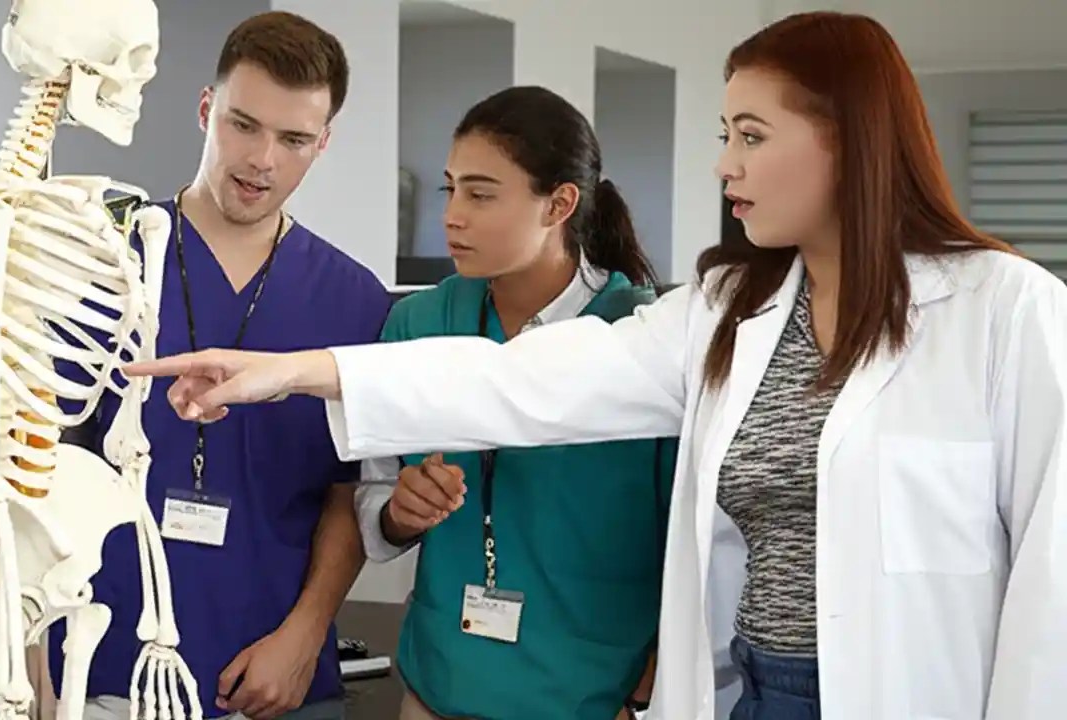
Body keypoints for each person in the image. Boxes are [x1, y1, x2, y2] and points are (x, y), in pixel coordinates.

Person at [126, 11, 1067, 720]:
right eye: (723, 135)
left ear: (846, 139)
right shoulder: (727, 311)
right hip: (754, 689)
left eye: (750, 135)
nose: (723, 165)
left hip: (918, 690)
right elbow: (529, 379)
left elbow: (1052, 589)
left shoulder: (1005, 310)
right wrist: (296, 372)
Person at [48, 11, 392, 720]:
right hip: (107, 664)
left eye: (294, 139)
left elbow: (348, 496)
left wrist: (304, 638)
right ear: (207, 111)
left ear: (322, 144)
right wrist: (40, 681)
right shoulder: (100, 265)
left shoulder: (354, 300)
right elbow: (37, 469)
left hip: (278, 678)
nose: (263, 158)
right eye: (244, 125)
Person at [354, 86, 677, 720]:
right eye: (451, 190)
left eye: (480, 194)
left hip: (589, 696)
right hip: (438, 687)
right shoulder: (417, 323)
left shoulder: (644, 340)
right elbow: (372, 500)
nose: (452, 216)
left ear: (559, 204)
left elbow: (685, 536)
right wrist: (399, 512)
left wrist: (647, 685)